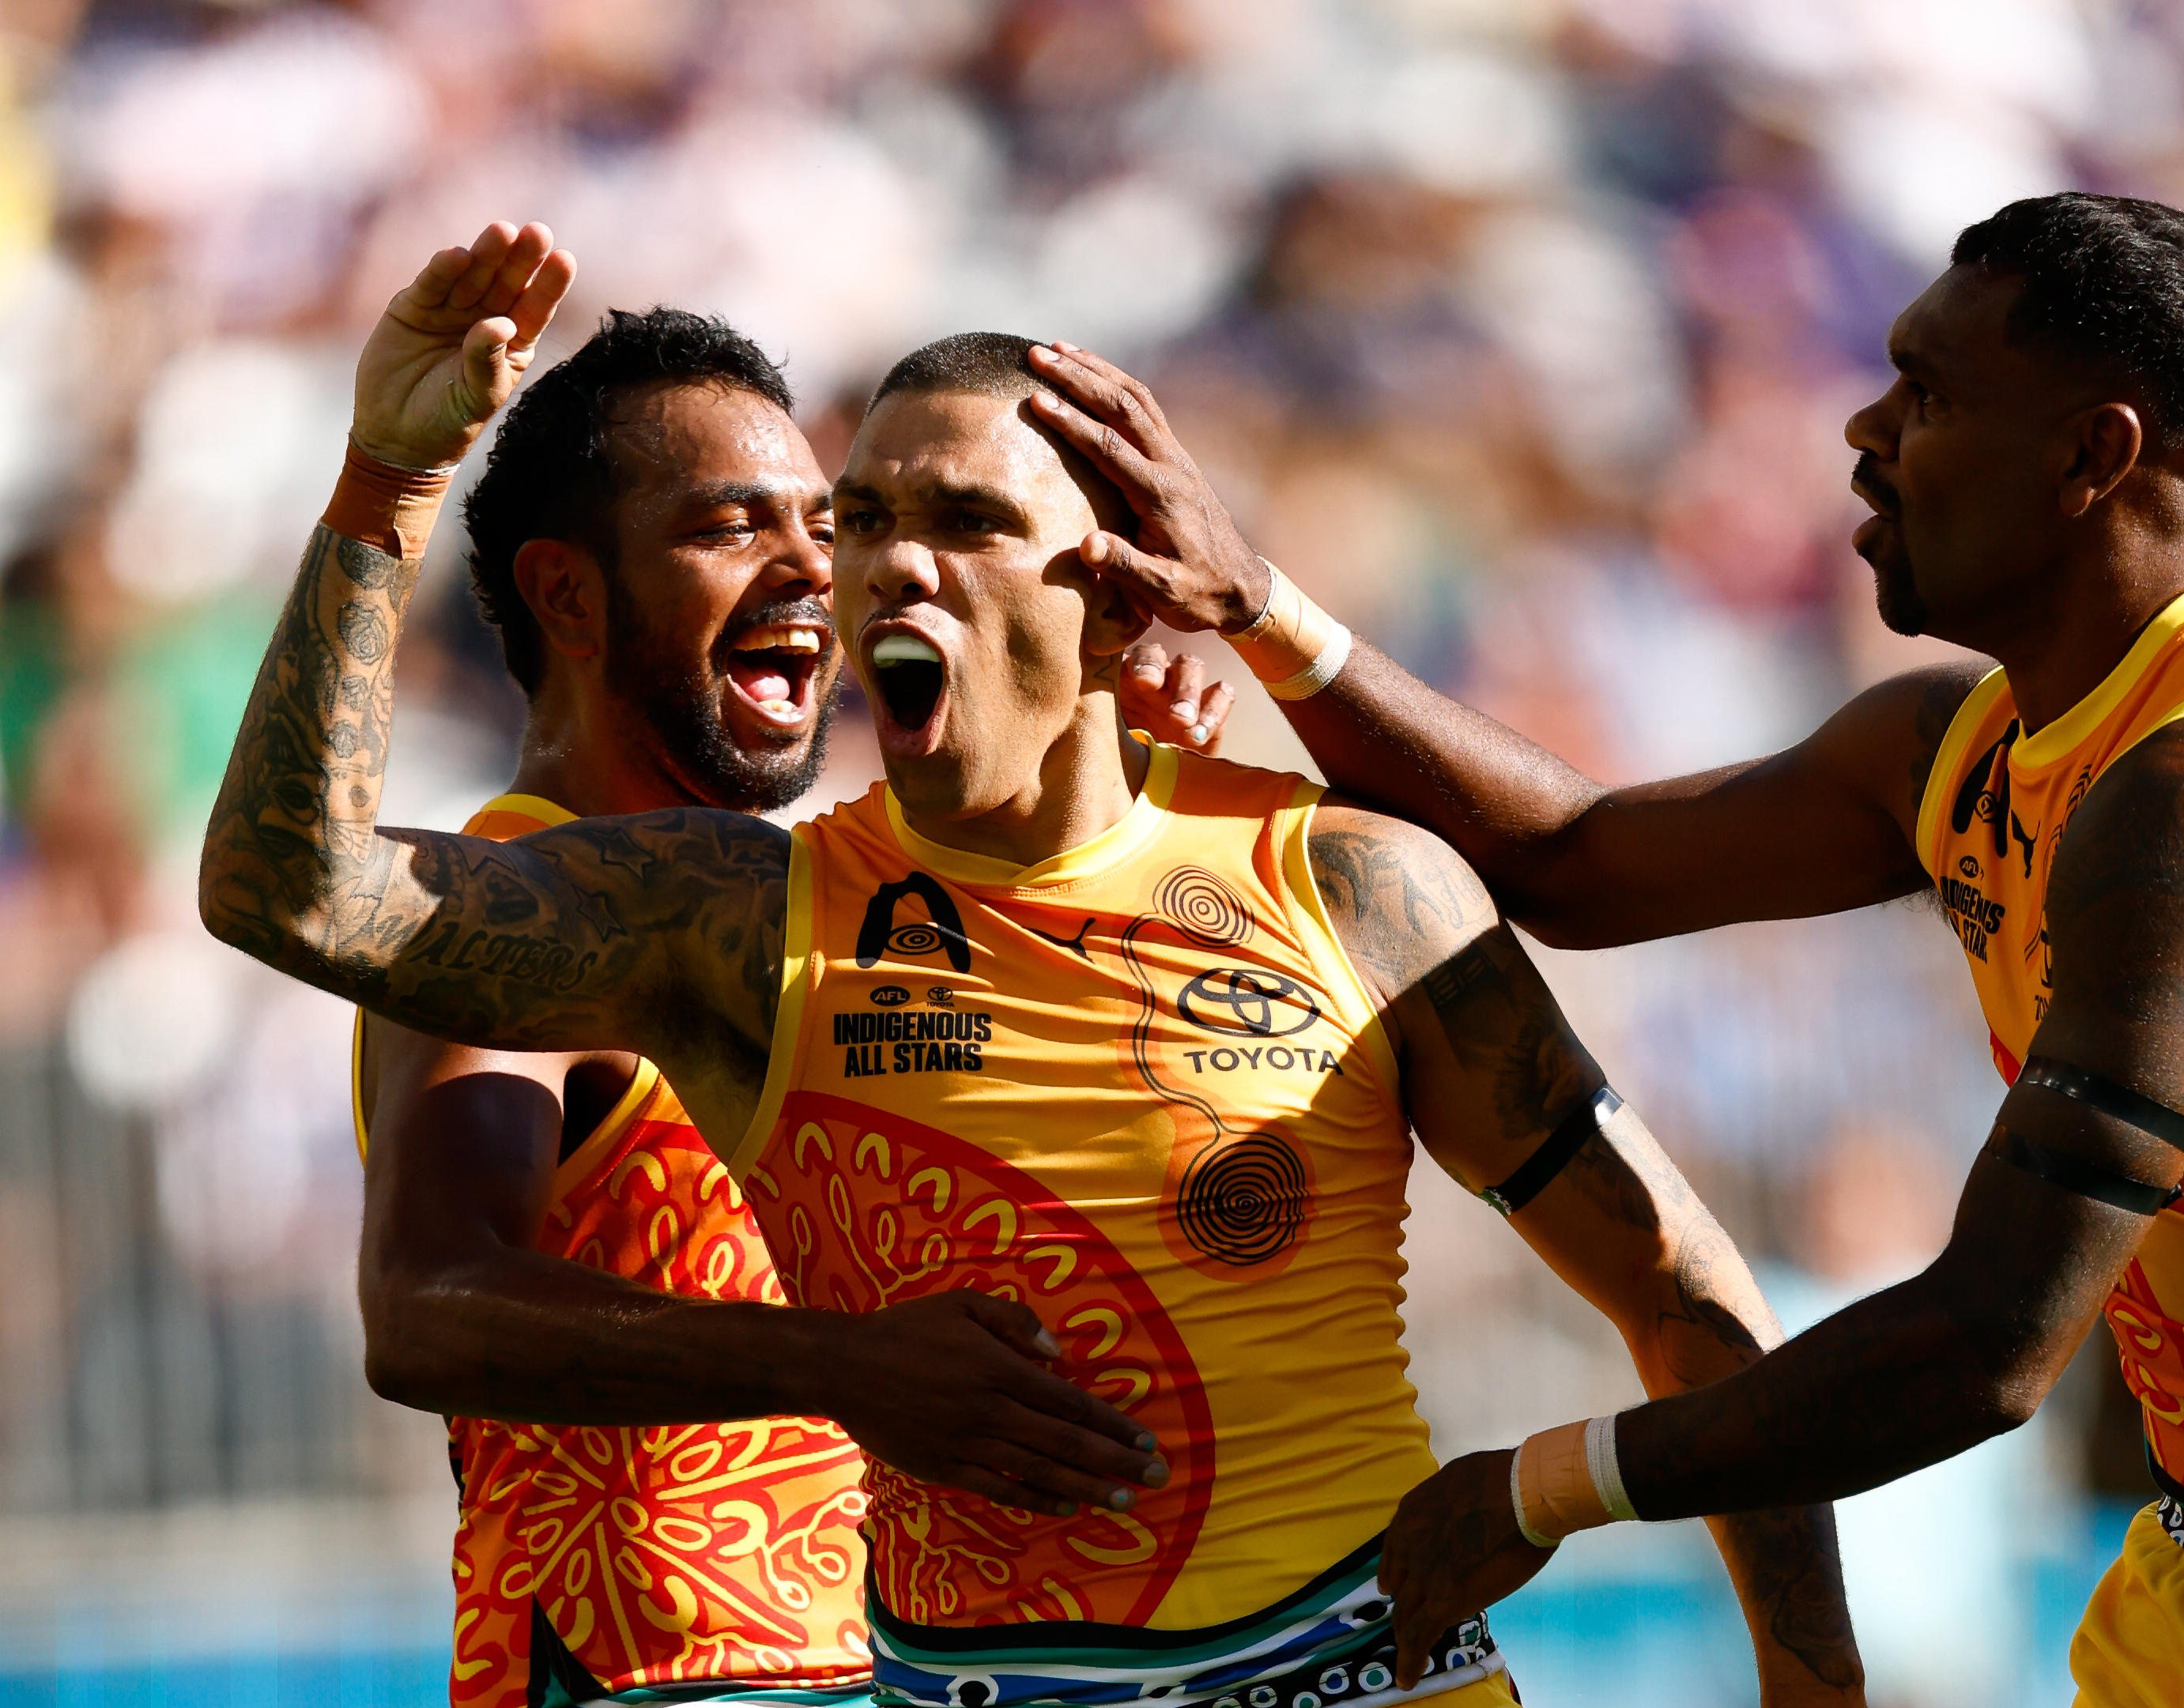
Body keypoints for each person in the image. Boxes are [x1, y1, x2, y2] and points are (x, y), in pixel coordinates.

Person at [199, 224, 1865, 1706]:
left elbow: (1678, 1280)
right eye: (862, 519)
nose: (856, 565)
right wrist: (387, 483)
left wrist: (1801, 1678)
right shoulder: (728, 917)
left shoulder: (1346, 883)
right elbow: (303, 904)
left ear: (1117, 589)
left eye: (957, 519)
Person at [1030, 191, 2184, 1702]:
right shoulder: (1966, 745)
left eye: (1928, 394)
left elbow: (1988, 1343)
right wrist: (1262, 610)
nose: (1863, 429)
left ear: (2091, 457)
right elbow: (1571, 860)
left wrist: (1544, 1486)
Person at [336, 258, 1231, 1705]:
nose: (814, 569)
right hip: (658, 1674)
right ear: (567, 594)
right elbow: (425, 1303)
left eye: (826, 525)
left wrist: (1110, 784)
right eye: (729, 526)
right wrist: (842, 1364)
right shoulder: (509, 897)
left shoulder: (807, 906)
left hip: (901, 1668)